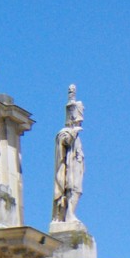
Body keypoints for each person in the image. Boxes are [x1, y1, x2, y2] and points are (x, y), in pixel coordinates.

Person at [52, 84, 85, 223]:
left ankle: (71, 213)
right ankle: (69, 214)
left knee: (77, 189)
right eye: (78, 119)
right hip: (69, 167)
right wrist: (72, 133)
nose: (80, 122)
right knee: (72, 187)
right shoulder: (66, 132)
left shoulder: (77, 136)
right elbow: (63, 140)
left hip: (77, 166)